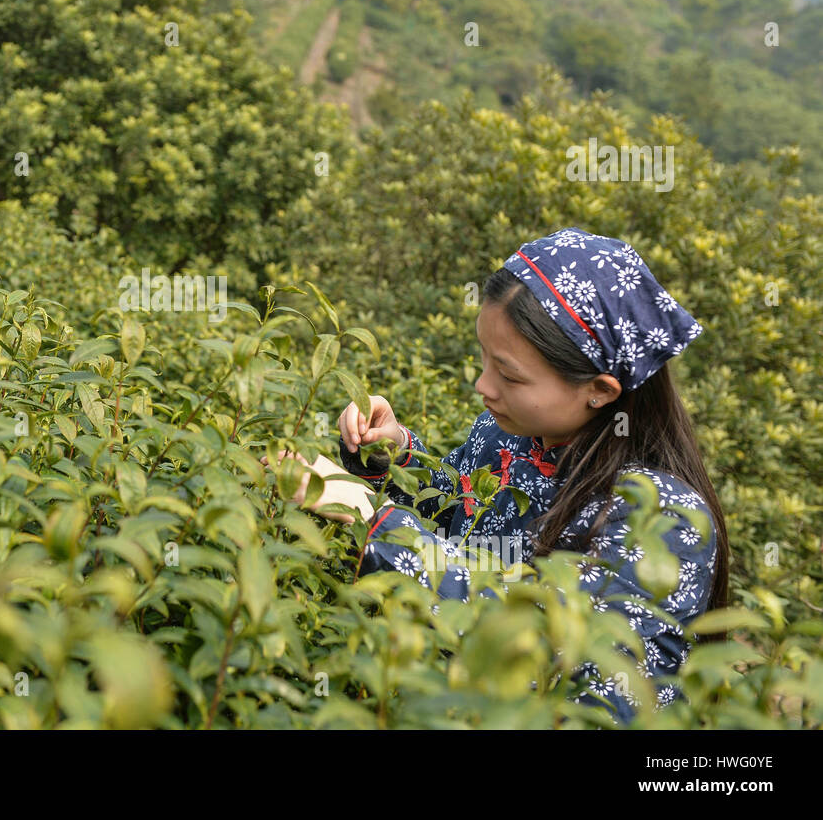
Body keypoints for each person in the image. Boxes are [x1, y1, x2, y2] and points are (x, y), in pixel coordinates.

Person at [277, 226, 729, 725]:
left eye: (509, 374)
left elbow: (549, 657)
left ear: (600, 389)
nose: (482, 385)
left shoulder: (662, 518)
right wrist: (396, 457)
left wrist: (371, 518)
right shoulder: (508, 434)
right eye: (484, 359)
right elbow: (456, 511)